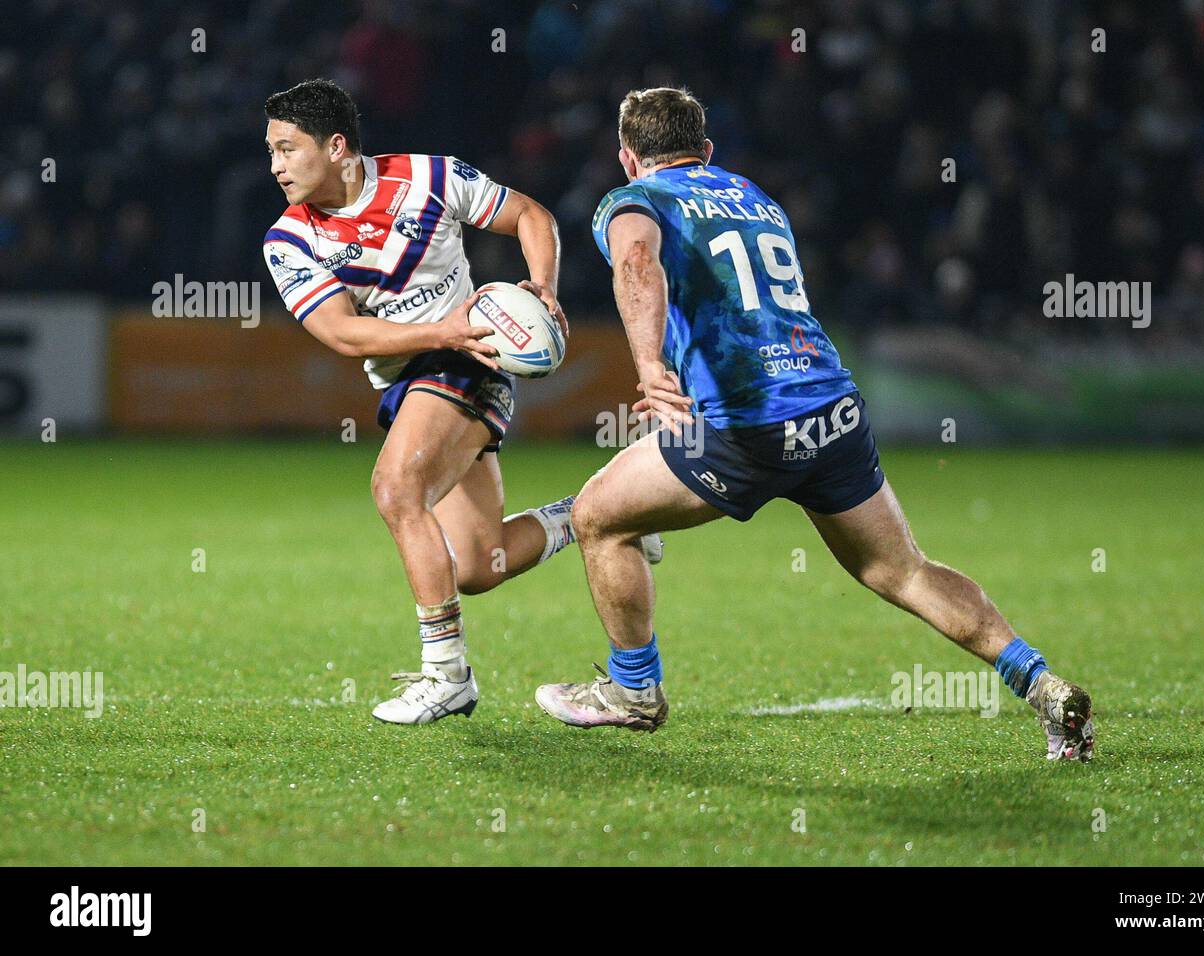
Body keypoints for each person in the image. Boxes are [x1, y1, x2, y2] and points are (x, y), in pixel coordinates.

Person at [534, 87, 1094, 761]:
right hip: (831, 409)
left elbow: (636, 262)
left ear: (628, 157)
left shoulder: (636, 200)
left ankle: (633, 692)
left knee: (597, 517)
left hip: (748, 426)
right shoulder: (752, 195)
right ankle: (1043, 686)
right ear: (706, 150)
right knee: (903, 571)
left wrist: (649, 362)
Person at [261, 78, 660, 725]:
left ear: (335, 147)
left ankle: (446, 675)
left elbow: (531, 216)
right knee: (479, 564)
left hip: (468, 363)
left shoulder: (428, 177)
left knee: (395, 489)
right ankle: (601, 515)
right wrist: (438, 330)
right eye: (271, 152)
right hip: (415, 372)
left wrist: (544, 287)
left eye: (287, 148)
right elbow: (339, 331)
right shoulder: (289, 239)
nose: (276, 166)